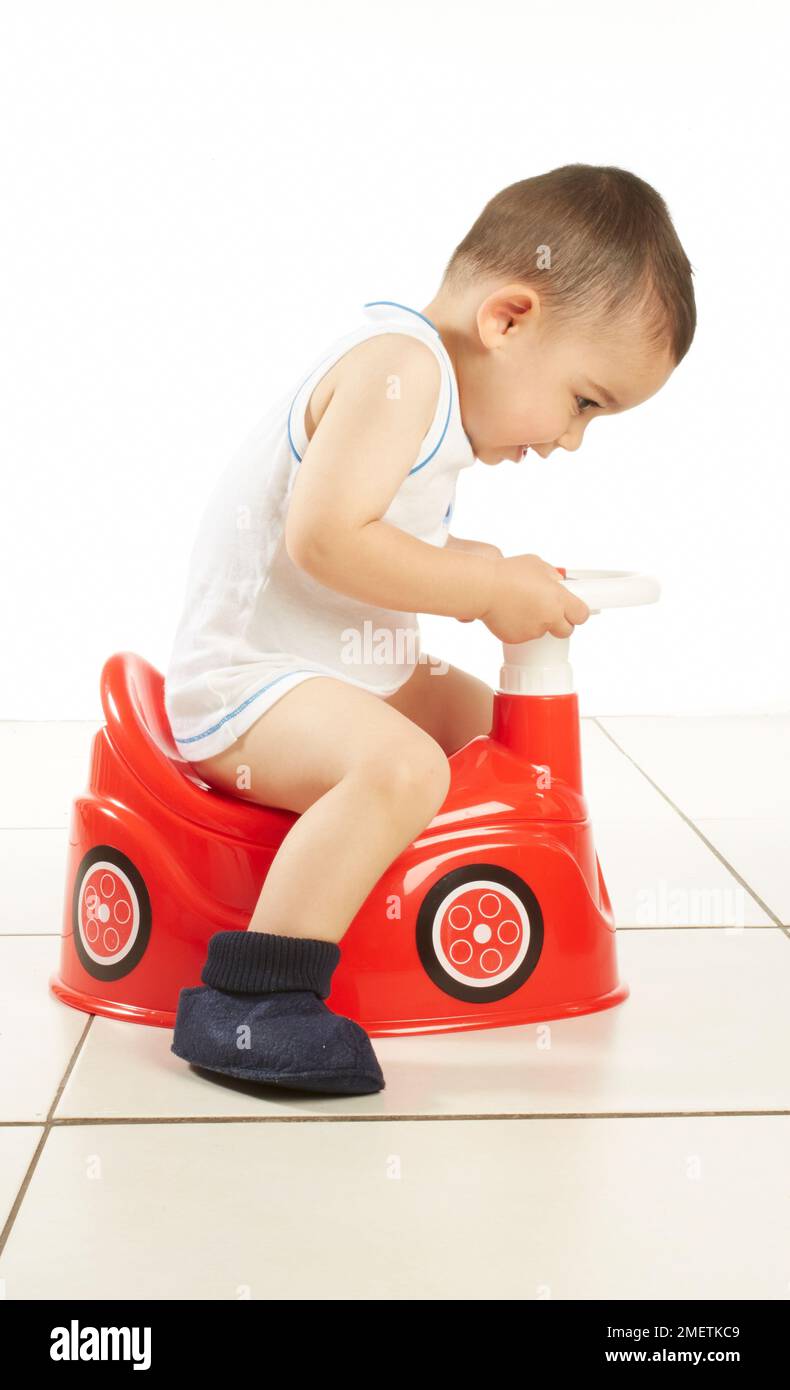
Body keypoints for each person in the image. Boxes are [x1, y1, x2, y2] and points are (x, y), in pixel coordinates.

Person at [166, 162, 696, 1095]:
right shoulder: (399, 372)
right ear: (510, 318)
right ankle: (253, 1000)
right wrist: (483, 585)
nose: (571, 441)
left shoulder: (431, 391)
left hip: (335, 669)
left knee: (498, 722)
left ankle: (486, 911)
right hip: (247, 680)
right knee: (402, 765)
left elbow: (386, 537)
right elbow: (327, 538)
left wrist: (489, 567)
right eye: (583, 402)